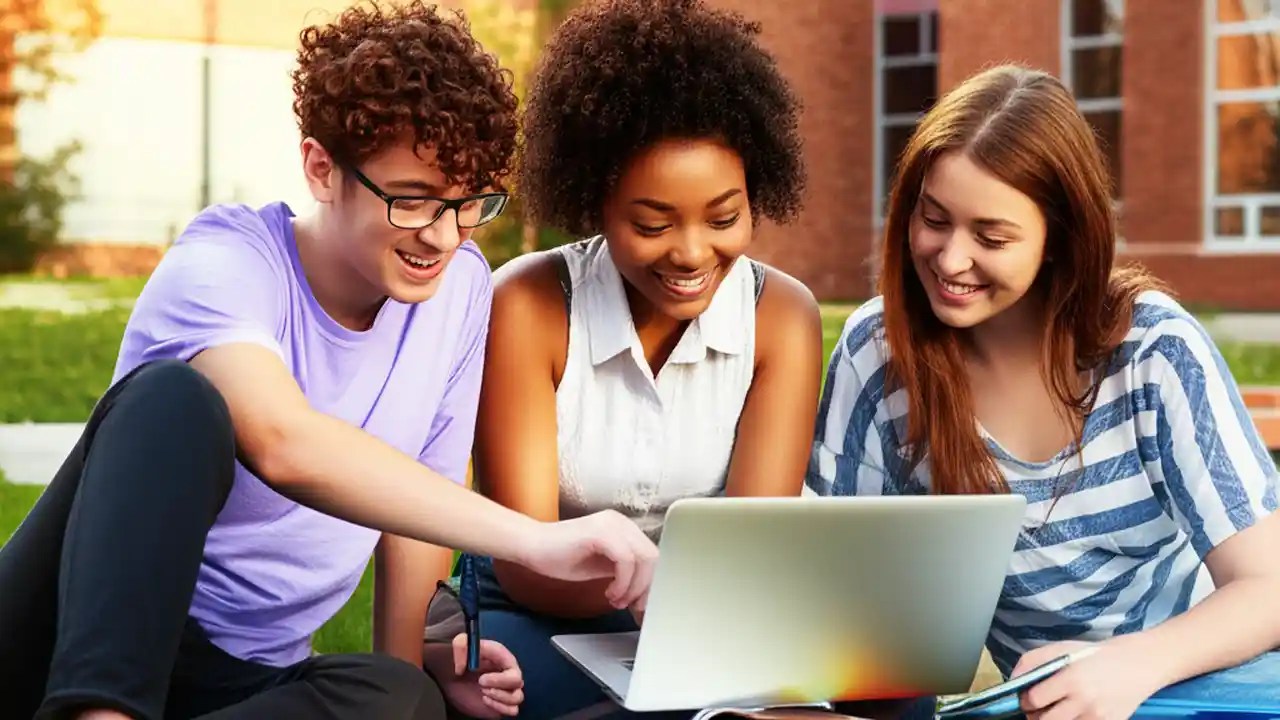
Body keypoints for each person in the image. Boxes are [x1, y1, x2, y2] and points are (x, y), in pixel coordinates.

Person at [0, 3, 657, 719]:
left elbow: (419, 505)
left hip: (242, 679)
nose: (442, 236)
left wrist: (424, 681)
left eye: (469, 203)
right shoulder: (225, 262)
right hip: (66, 640)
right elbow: (285, 444)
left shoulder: (460, 290)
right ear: (321, 167)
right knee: (175, 399)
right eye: (413, 201)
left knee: (396, 693)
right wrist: (538, 542)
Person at [808, 64, 1280, 719]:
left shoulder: (1153, 351)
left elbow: (1268, 585)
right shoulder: (878, 352)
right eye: (934, 219)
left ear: (1059, 238)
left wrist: (1131, 663)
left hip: (1194, 689)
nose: (949, 259)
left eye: (991, 236)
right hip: (1041, 707)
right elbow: (839, 590)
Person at [446, 0, 824, 716]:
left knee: (898, 692)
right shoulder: (528, 306)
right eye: (652, 224)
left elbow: (752, 545)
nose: (690, 253)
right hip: (543, 612)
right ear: (595, 201)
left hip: (713, 620)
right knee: (500, 690)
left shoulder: (782, 317)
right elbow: (529, 561)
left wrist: (686, 613)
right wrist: (663, 597)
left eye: (724, 217)